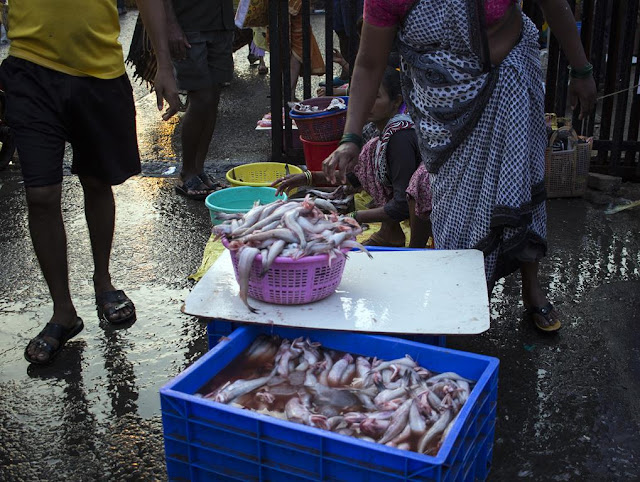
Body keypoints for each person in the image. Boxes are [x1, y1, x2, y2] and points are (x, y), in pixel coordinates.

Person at [322, 0, 597, 332]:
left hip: (509, 83)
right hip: (444, 111)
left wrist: (581, 69)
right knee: (454, 207)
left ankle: (531, 286)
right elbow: (368, 63)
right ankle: (459, 291)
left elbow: (554, 5)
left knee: (519, 188)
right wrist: (350, 137)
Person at [0, 0, 181, 364]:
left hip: (99, 73)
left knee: (97, 183)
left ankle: (104, 282)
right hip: (29, 71)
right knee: (41, 194)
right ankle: (63, 311)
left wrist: (164, 63)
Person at [273, 66, 432, 248]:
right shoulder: (379, 132)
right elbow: (355, 177)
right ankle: (390, 233)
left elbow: (402, 205)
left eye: (376, 97)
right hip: (403, 201)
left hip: (427, 212)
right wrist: (307, 177)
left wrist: (349, 217)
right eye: (363, 96)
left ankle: (415, 248)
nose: (367, 103)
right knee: (371, 149)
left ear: (396, 102)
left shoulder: (400, 137)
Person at [163, 0, 234, 199]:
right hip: (189, 24)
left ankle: (198, 168)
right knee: (201, 97)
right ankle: (187, 171)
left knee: (212, 99)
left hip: (221, 23)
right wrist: (171, 24)